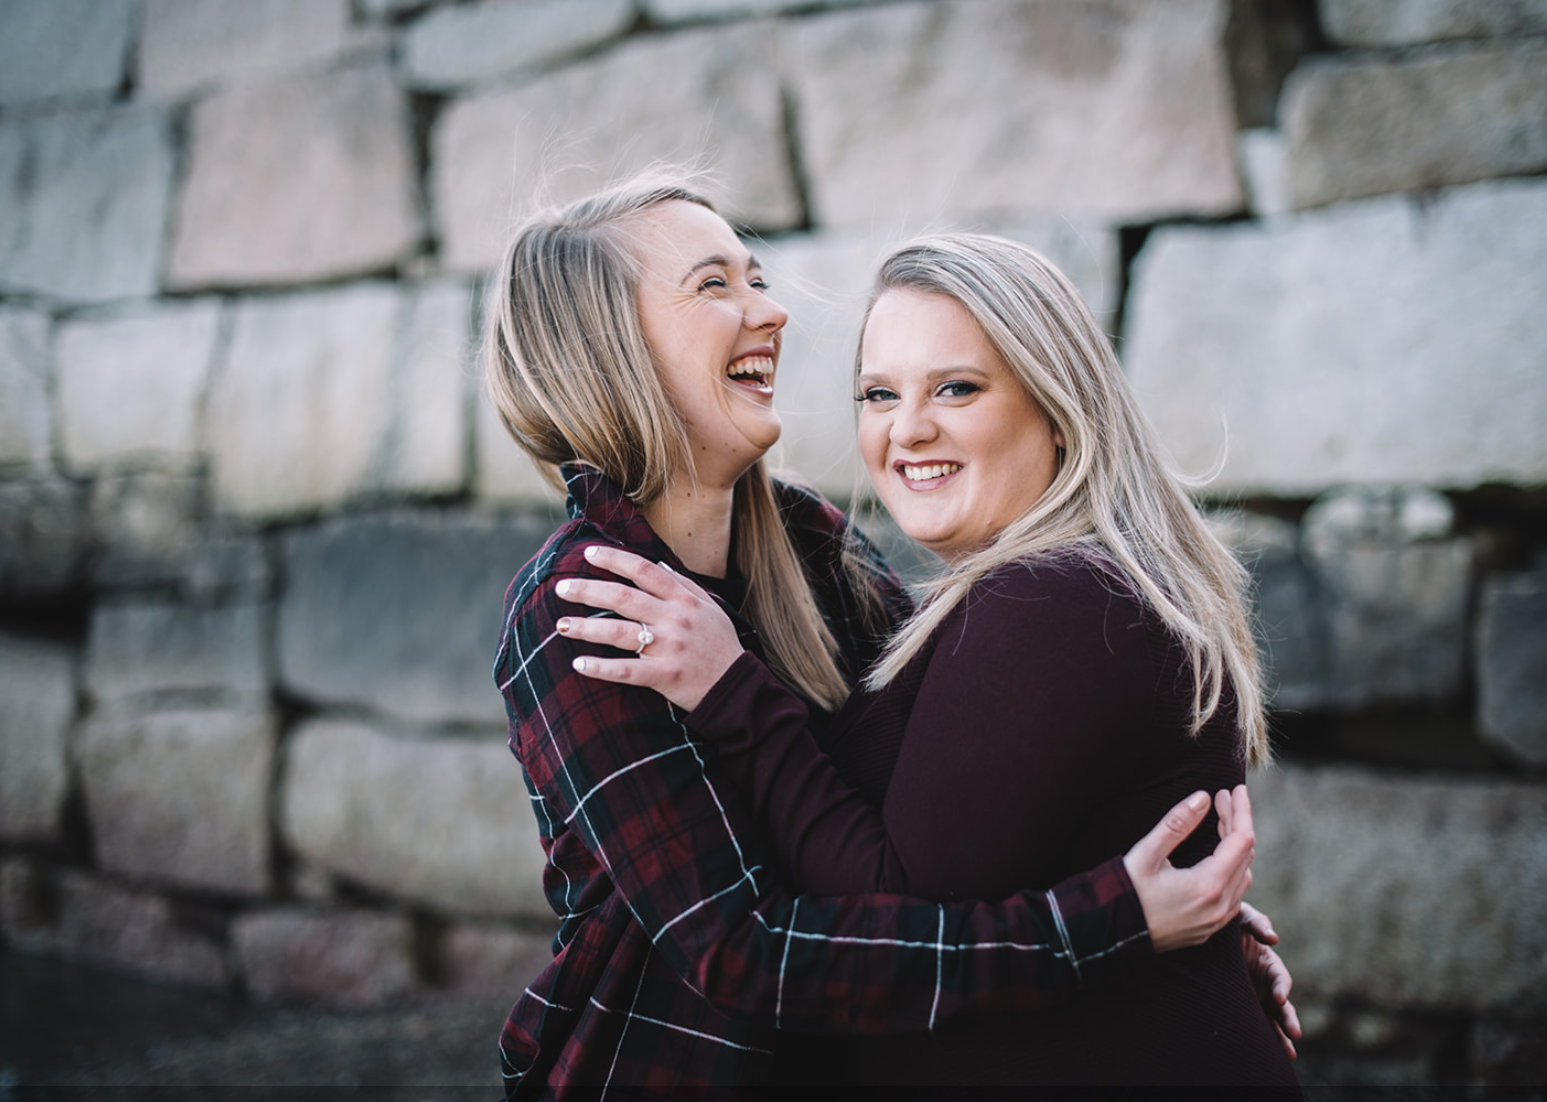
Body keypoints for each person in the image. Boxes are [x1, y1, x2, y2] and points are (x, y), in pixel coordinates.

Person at [486, 174, 1288, 1097]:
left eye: (757, 277)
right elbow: (745, 954)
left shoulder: (806, 542)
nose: (772, 310)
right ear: (606, 348)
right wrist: (1120, 923)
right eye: (717, 286)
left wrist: (1189, 921)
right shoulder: (585, 604)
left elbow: (966, 795)